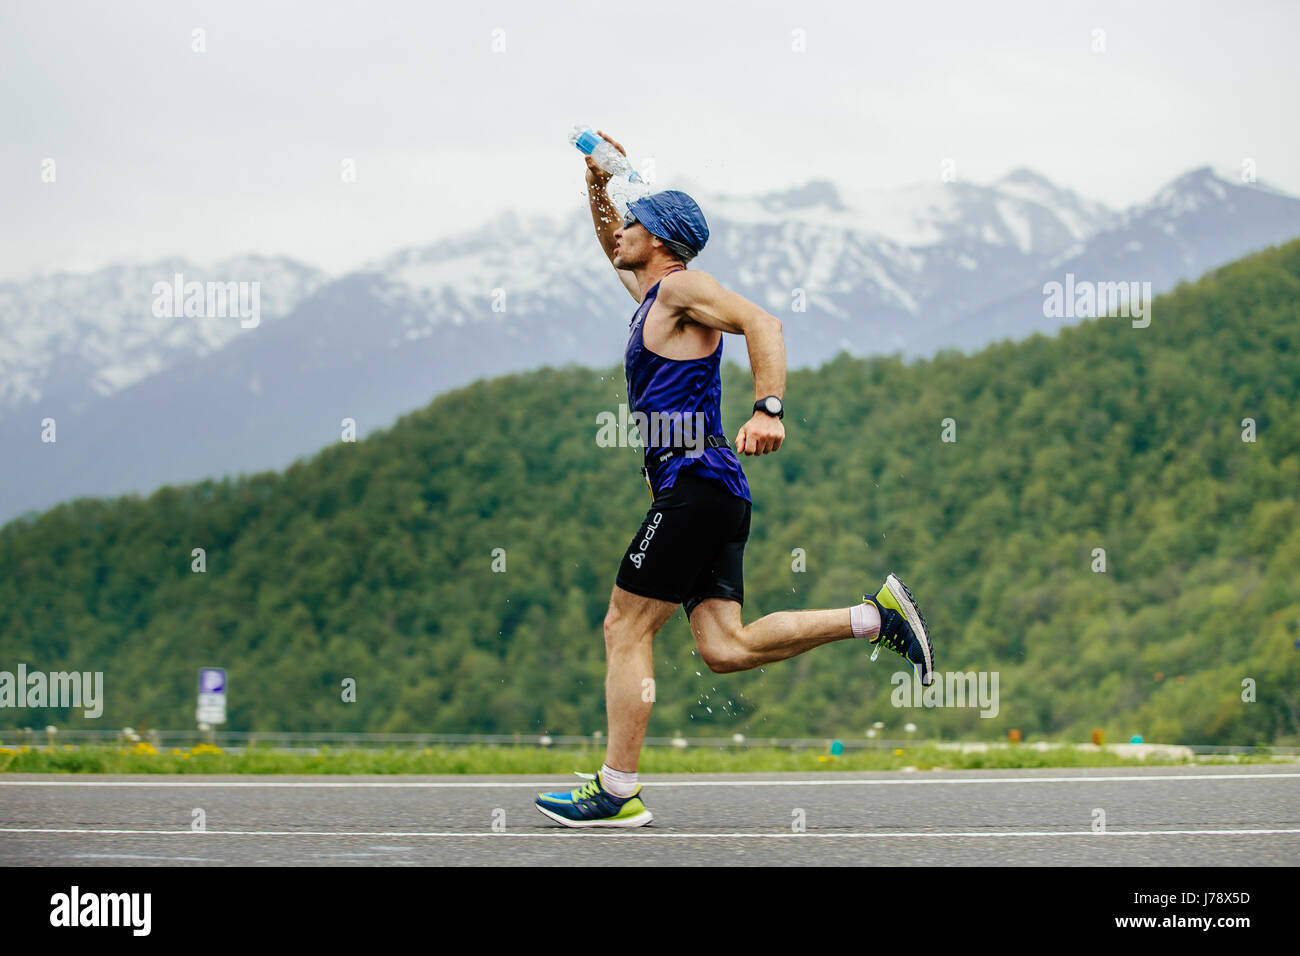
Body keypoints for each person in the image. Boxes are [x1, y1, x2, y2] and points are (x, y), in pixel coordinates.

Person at [535, 132, 934, 828]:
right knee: (724, 648)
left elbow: (764, 323)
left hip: (695, 482)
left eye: (633, 224)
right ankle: (875, 617)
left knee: (623, 627)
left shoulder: (685, 288)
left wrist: (768, 407)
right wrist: (598, 184)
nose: (619, 234)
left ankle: (617, 790)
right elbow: (610, 245)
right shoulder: (656, 293)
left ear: (659, 239)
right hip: (710, 491)